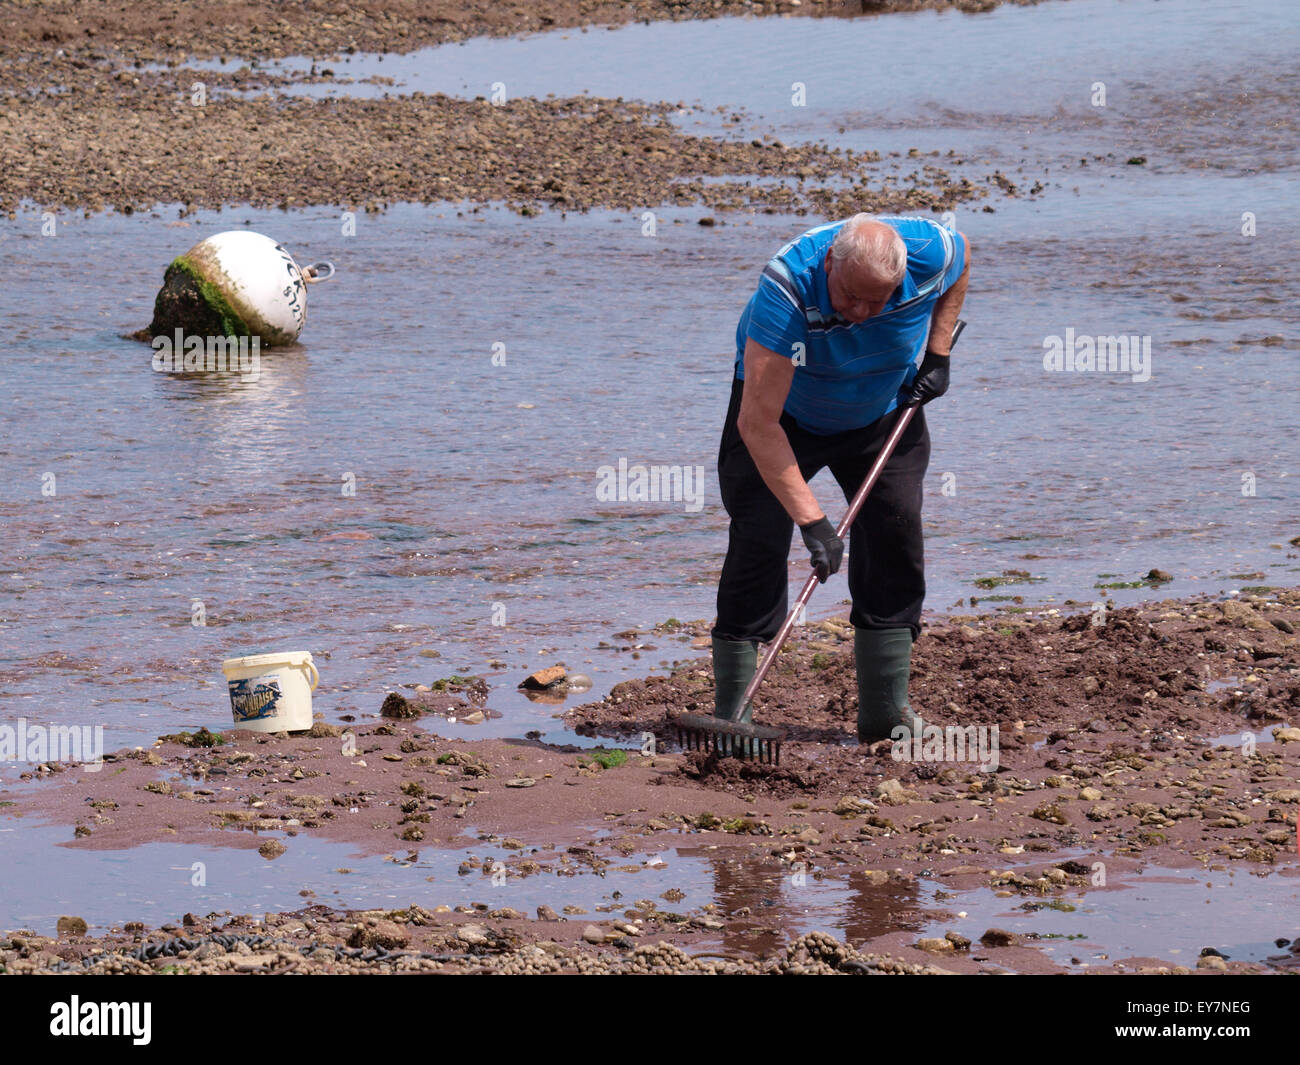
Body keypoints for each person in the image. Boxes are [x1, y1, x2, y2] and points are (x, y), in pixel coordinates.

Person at [712, 213, 970, 742]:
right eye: (851, 296)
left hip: (881, 413)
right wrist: (812, 522)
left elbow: (961, 259)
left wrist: (938, 354)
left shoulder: (930, 251)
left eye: (879, 301)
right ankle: (733, 718)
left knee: (896, 537)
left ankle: (884, 714)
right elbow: (757, 423)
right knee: (758, 543)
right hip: (784, 419)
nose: (861, 312)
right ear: (830, 262)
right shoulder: (784, 290)